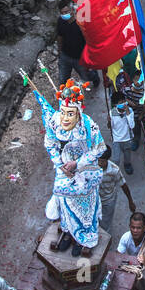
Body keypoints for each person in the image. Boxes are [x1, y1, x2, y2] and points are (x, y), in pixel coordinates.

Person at [43, 85, 105, 257]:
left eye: (70, 113)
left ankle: (83, 238)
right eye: (63, 112)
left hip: (85, 171)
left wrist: (77, 164)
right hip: (63, 170)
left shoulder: (89, 126)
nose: (65, 118)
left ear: (78, 112)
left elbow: (100, 148)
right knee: (65, 204)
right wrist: (59, 164)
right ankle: (68, 233)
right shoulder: (55, 121)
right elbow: (50, 143)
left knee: (85, 208)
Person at [96, 140, 135, 234]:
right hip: (95, 199)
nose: (100, 163)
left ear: (107, 159)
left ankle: (105, 240)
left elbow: (124, 185)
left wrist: (130, 201)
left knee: (106, 222)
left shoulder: (114, 170)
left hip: (108, 200)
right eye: (99, 160)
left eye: (102, 161)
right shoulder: (92, 166)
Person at [56, 8, 99, 90]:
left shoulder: (81, 23)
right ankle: (64, 96)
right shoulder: (61, 21)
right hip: (65, 56)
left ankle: (95, 77)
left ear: (72, 10)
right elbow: (60, 36)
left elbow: (89, 40)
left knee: (86, 76)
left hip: (80, 58)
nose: (65, 14)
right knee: (63, 79)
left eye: (66, 12)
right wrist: (59, 51)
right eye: (62, 13)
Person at [109, 89, 137, 177]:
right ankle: (115, 170)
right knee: (116, 158)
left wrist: (128, 113)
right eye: (121, 102)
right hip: (117, 139)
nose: (124, 103)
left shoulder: (130, 111)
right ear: (115, 104)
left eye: (124, 101)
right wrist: (108, 122)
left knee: (127, 155)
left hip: (127, 138)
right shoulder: (112, 112)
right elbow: (110, 126)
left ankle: (127, 165)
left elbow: (132, 126)